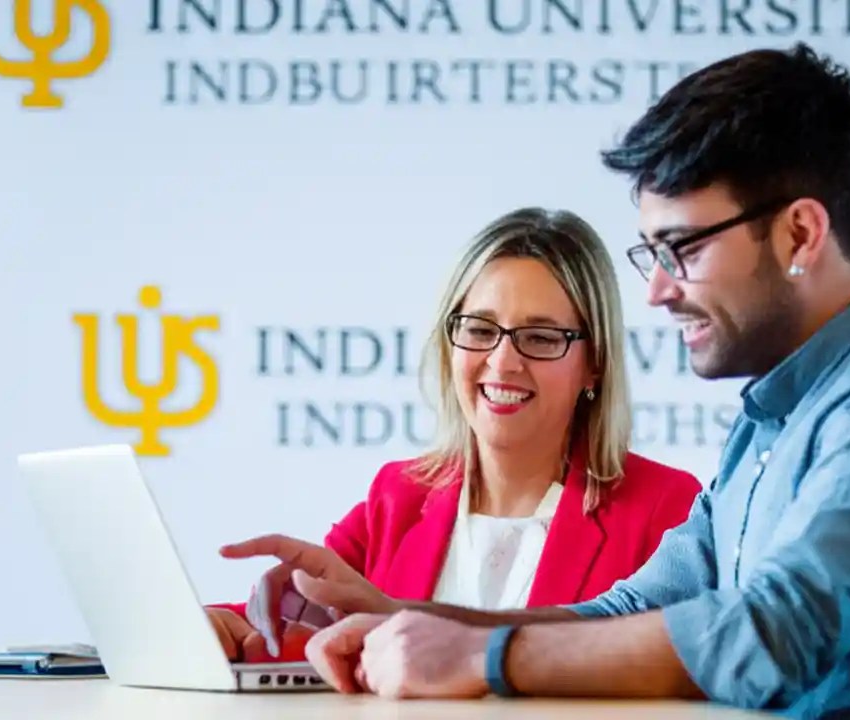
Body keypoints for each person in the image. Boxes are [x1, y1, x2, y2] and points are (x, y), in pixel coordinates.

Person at [230, 43, 850, 718]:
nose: (656, 289)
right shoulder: (781, 416)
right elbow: (622, 613)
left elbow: (771, 638)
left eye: (682, 249)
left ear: (799, 232)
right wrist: (401, 616)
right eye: (653, 254)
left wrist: (479, 654)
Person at [207, 207, 701, 663]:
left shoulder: (666, 508)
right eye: (480, 329)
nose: (503, 361)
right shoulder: (398, 495)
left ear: (595, 364)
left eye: (541, 337)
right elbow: (299, 626)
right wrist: (222, 629)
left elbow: (674, 672)